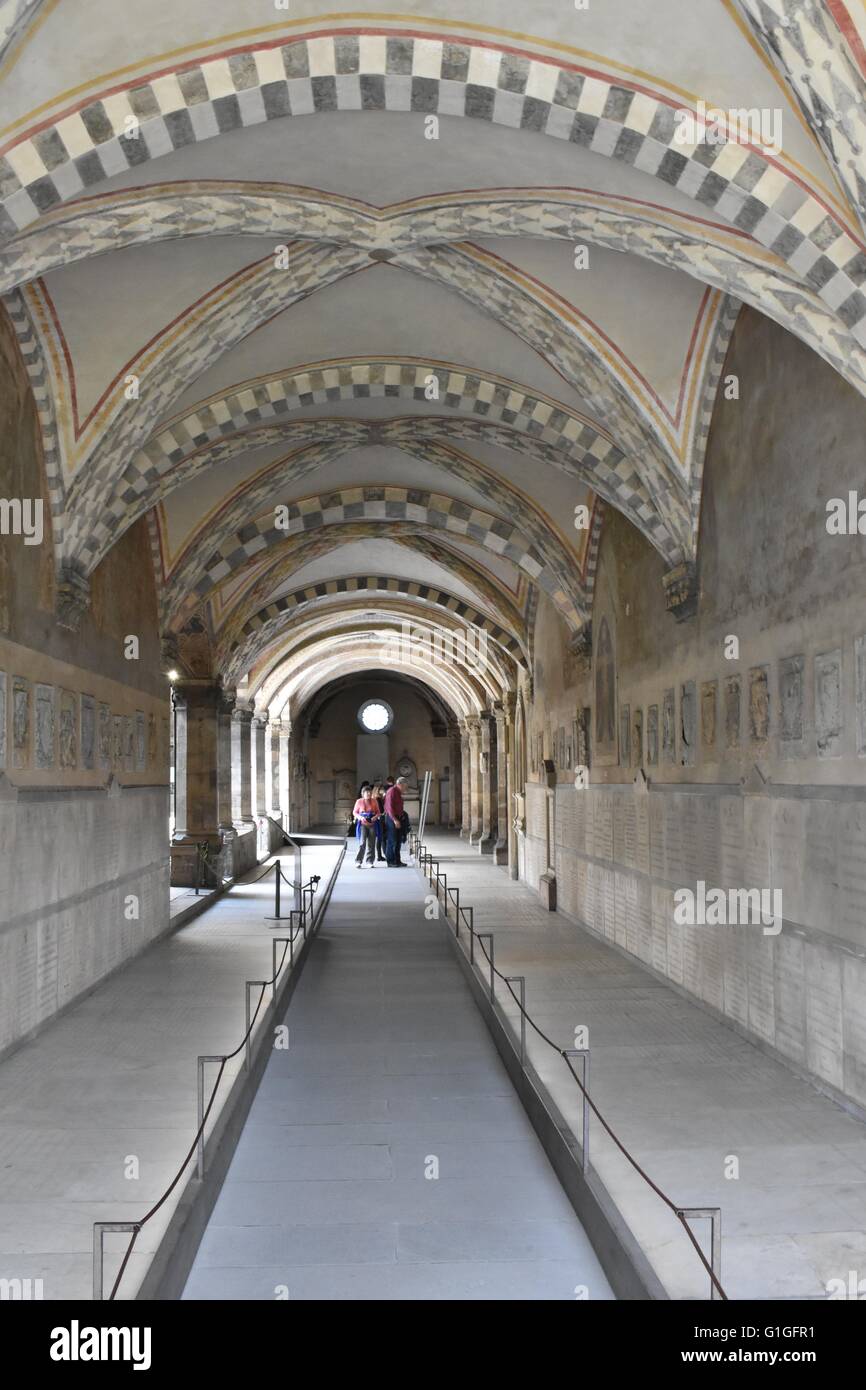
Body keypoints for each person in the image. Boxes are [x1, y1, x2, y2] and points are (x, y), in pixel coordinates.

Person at [352, 784, 379, 868]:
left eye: (369, 792)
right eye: (366, 792)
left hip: (372, 825)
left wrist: (375, 817)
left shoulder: (374, 801)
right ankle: (358, 861)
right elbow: (354, 812)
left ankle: (370, 861)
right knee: (362, 843)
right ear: (363, 793)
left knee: (371, 843)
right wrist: (360, 817)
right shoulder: (359, 801)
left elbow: (378, 812)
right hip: (363, 825)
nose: (368, 794)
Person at [384, 776, 408, 867]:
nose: (406, 788)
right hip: (392, 818)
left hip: (398, 817)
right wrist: (395, 820)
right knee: (392, 840)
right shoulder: (392, 791)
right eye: (405, 786)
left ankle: (397, 860)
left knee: (398, 840)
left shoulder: (398, 792)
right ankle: (390, 861)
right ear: (400, 784)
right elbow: (389, 808)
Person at [372, 783, 387, 862]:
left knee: (379, 838)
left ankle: (379, 855)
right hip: (380, 819)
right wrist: (383, 812)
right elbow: (381, 811)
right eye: (382, 789)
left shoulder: (374, 798)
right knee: (380, 838)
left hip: (377, 819)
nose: (383, 790)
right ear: (378, 790)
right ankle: (380, 855)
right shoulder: (377, 799)